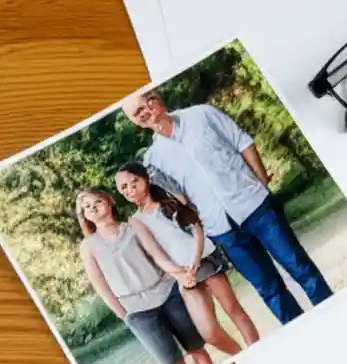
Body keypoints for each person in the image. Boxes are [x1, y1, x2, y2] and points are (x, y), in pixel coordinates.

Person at [120, 88, 333, 324]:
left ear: (156, 97)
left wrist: (261, 183)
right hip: (222, 230)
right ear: (134, 121)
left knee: (299, 266)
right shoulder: (154, 159)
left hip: (256, 206)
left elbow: (243, 142)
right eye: (137, 112)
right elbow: (180, 197)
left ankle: (334, 315)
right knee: (268, 289)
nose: (145, 111)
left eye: (147, 102)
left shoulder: (202, 114)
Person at [115, 162, 259, 355]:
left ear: (146, 180)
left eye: (134, 182)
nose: (130, 189)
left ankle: (257, 353)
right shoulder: (135, 221)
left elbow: (197, 229)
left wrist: (195, 261)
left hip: (204, 260)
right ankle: (241, 356)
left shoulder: (170, 200)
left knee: (234, 310)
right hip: (183, 276)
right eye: (124, 187)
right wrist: (180, 274)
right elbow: (156, 254)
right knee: (209, 333)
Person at [75, 188, 212, 364]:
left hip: (168, 295)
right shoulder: (88, 246)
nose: (93, 208)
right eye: (87, 207)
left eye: (97, 202)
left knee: (198, 350)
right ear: (84, 215)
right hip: (137, 312)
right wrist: (123, 314)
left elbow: (158, 256)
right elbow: (100, 285)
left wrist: (180, 273)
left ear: (109, 201)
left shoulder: (133, 225)